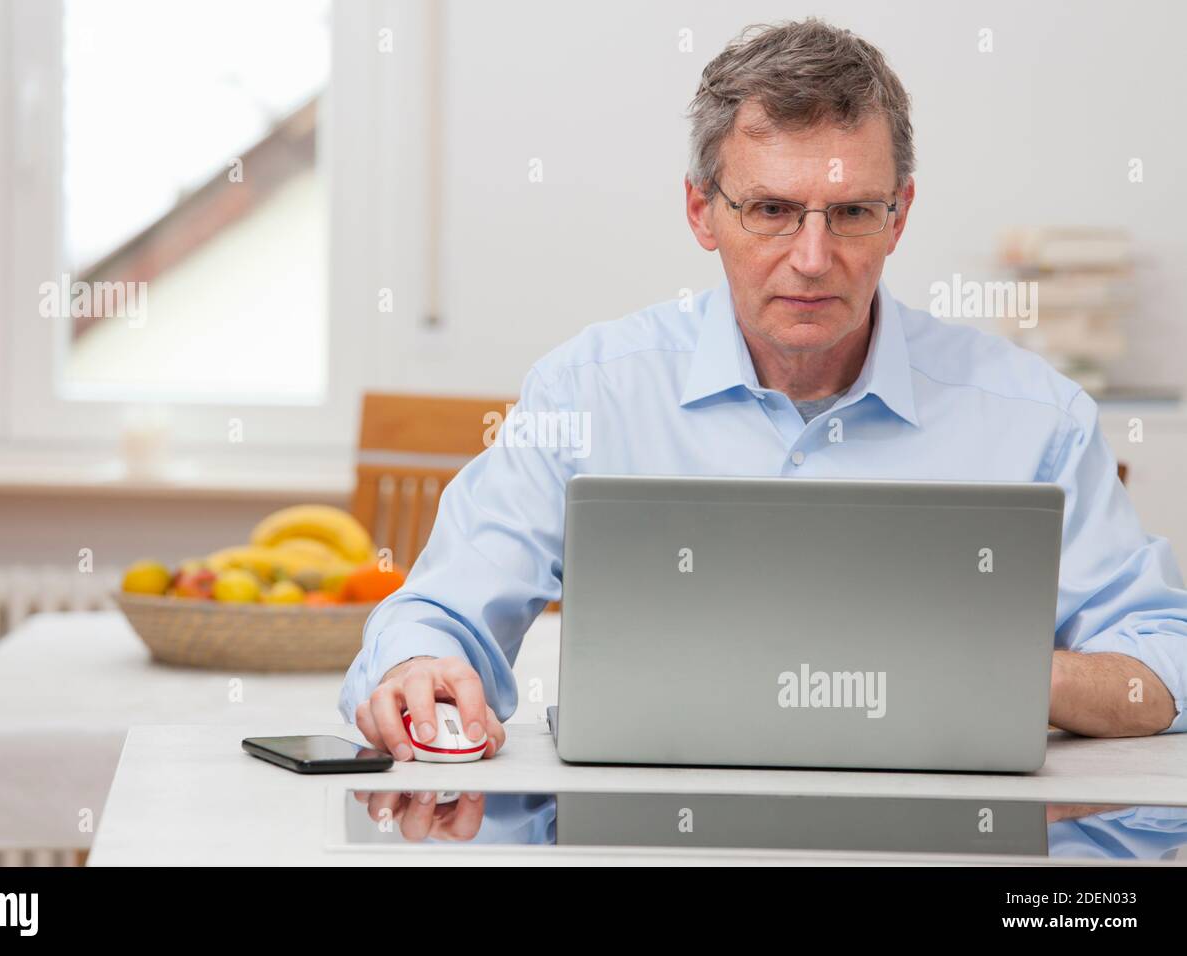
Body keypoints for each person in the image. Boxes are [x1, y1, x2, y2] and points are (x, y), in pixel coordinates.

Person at [339, 18, 1187, 759]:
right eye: (772, 210)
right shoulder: (585, 395)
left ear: (901, 213)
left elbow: (1163, 665)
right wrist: (416, 671)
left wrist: (979, 673)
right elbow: (439, 615)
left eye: (852, 212)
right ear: (701, 212)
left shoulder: (1035, 420)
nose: (813, 258)